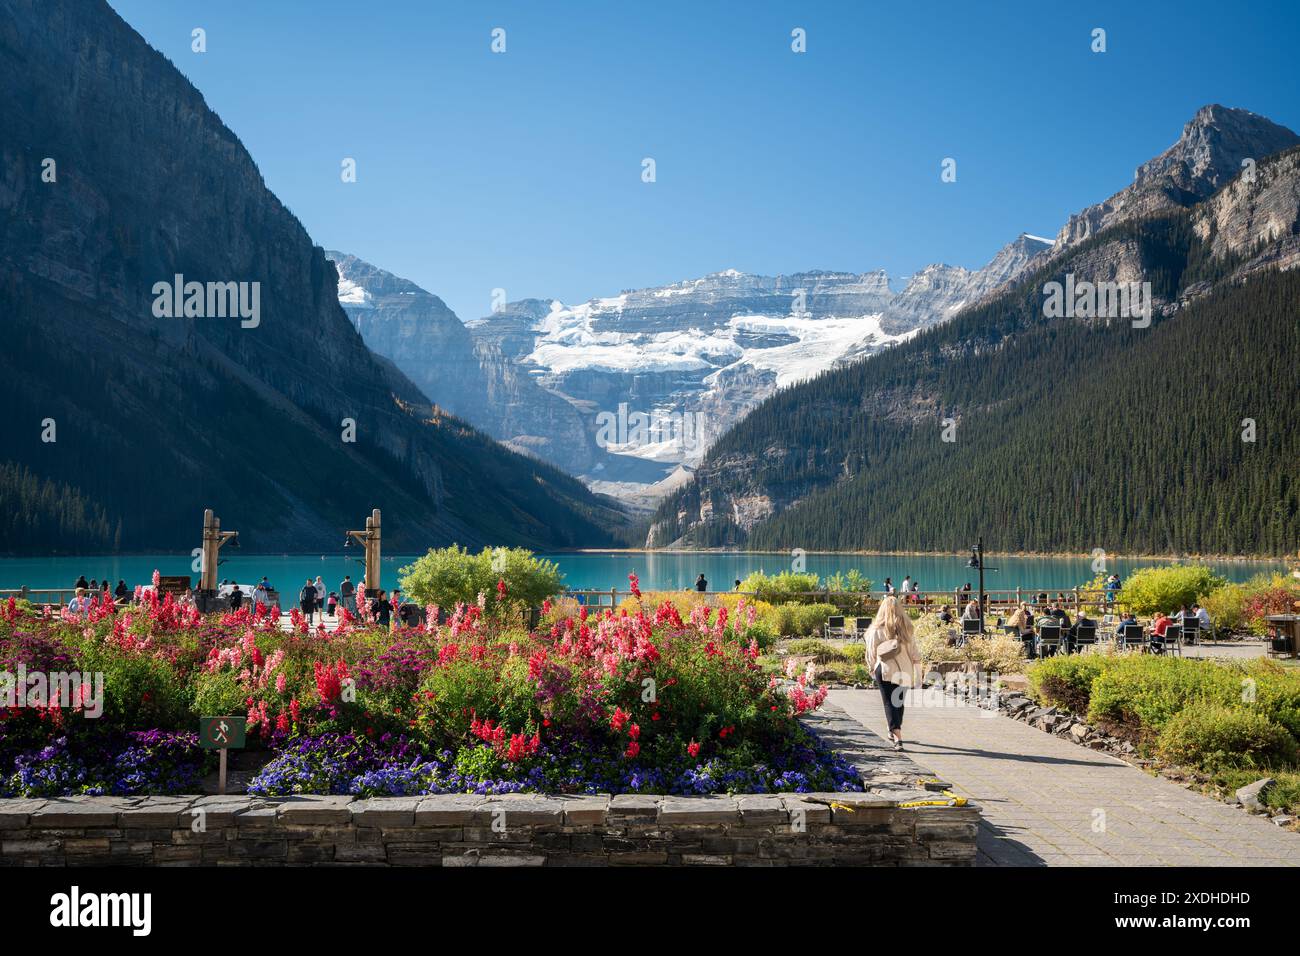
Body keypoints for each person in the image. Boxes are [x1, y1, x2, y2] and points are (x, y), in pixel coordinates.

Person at [864, 596, 922, 752]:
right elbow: (915, 654)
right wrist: (919, 676)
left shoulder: (876, 630)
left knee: (889, 703)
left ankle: (897, 736)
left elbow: (871, 652)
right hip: (905, 671)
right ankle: (895, 731)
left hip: (884, 670)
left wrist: (871, 667)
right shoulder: (907, 629)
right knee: (899, 703)